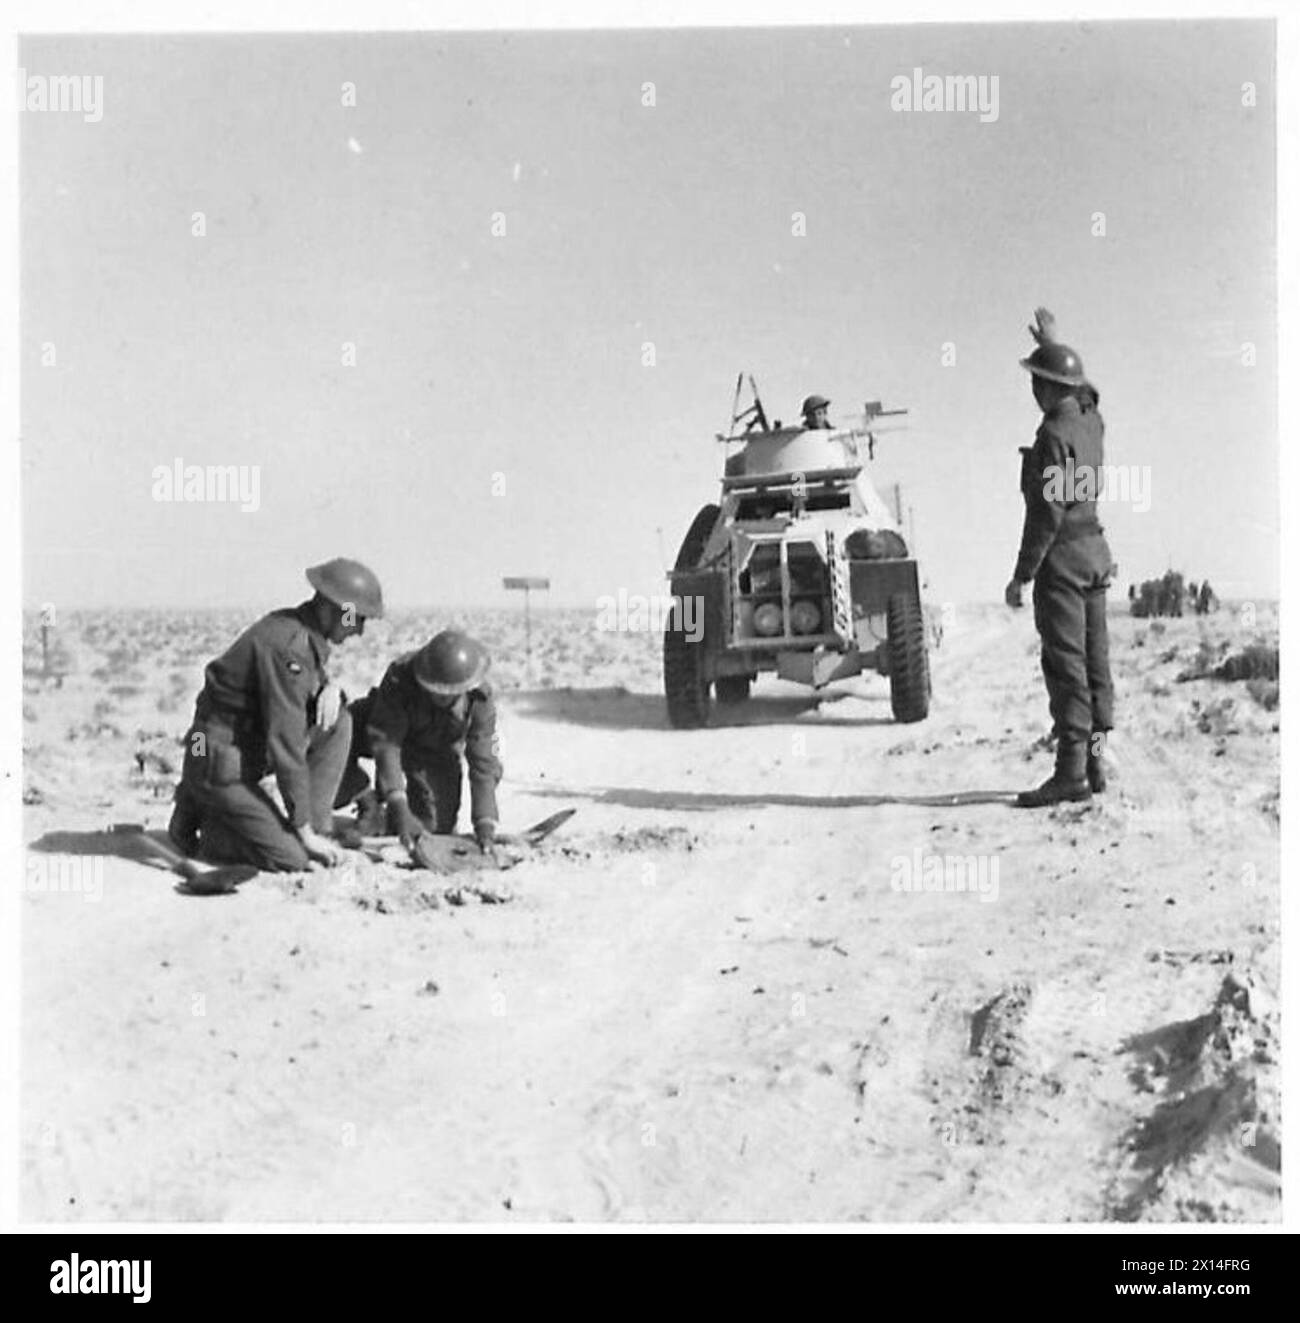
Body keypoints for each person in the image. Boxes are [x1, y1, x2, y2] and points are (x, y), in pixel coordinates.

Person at [167, 558, 384, 870]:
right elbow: (286, 741)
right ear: (335, 609)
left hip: (224, 744)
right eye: (356, 619)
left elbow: (297, 691)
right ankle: (211, 824)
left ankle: (203, 801)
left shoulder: (296, 630)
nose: (359, 630)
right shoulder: (289, 647)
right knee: (292, 858)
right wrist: (303, 833)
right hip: (219, 757)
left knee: (337, 722)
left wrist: (332, 688)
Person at [1004, 310, 1115, 806]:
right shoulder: (1091, 423)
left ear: (1046, 387)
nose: (1033, 391)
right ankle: (1095, 761)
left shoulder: (1052, 436)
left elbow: (1045, 516)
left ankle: (1071, 773)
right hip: (1095, 554)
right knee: (1095, 665)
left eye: (1037, 381)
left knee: (1067, 666)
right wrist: (1058, 347)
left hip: (1064, 562)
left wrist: (1021, 576)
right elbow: (1086, 393)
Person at [336, 629, 503, 858]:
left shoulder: (480, 698)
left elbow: (485, 759)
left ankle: (392, 820)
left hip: (433, 746)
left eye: (448, 695)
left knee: (433, 830)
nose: (440, 699)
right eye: (434, 692)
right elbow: (387, 743)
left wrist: (485, 822)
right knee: (332, 738)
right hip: (381, 725)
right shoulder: (400, 676)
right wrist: (398, 805)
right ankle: (368, 804)